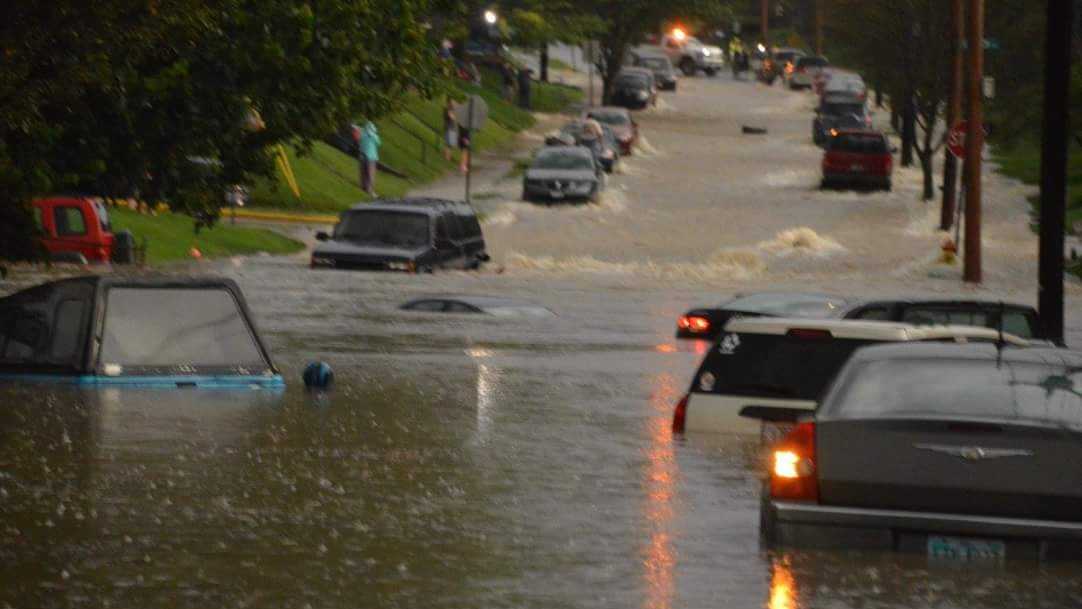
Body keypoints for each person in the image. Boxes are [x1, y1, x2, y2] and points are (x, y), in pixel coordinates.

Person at [358, 120, 381, 197]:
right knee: (369, 174)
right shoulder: (372, 136)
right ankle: (368, 189)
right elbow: (379, 143)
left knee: (364, 173)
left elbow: (360, 143)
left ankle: (365, 188)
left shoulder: (364, 135)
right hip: (370, 157)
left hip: (366, 156)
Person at [443, 97, 458, 162]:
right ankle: (447, 158)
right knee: (449, 144)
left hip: (452, 128)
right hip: (449, 128)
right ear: (449, 102)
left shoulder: (451, 109)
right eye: (452, 102)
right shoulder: (448, 109)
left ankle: (447, 155)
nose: (454, 103)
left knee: (451, 144)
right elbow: (452, 117)